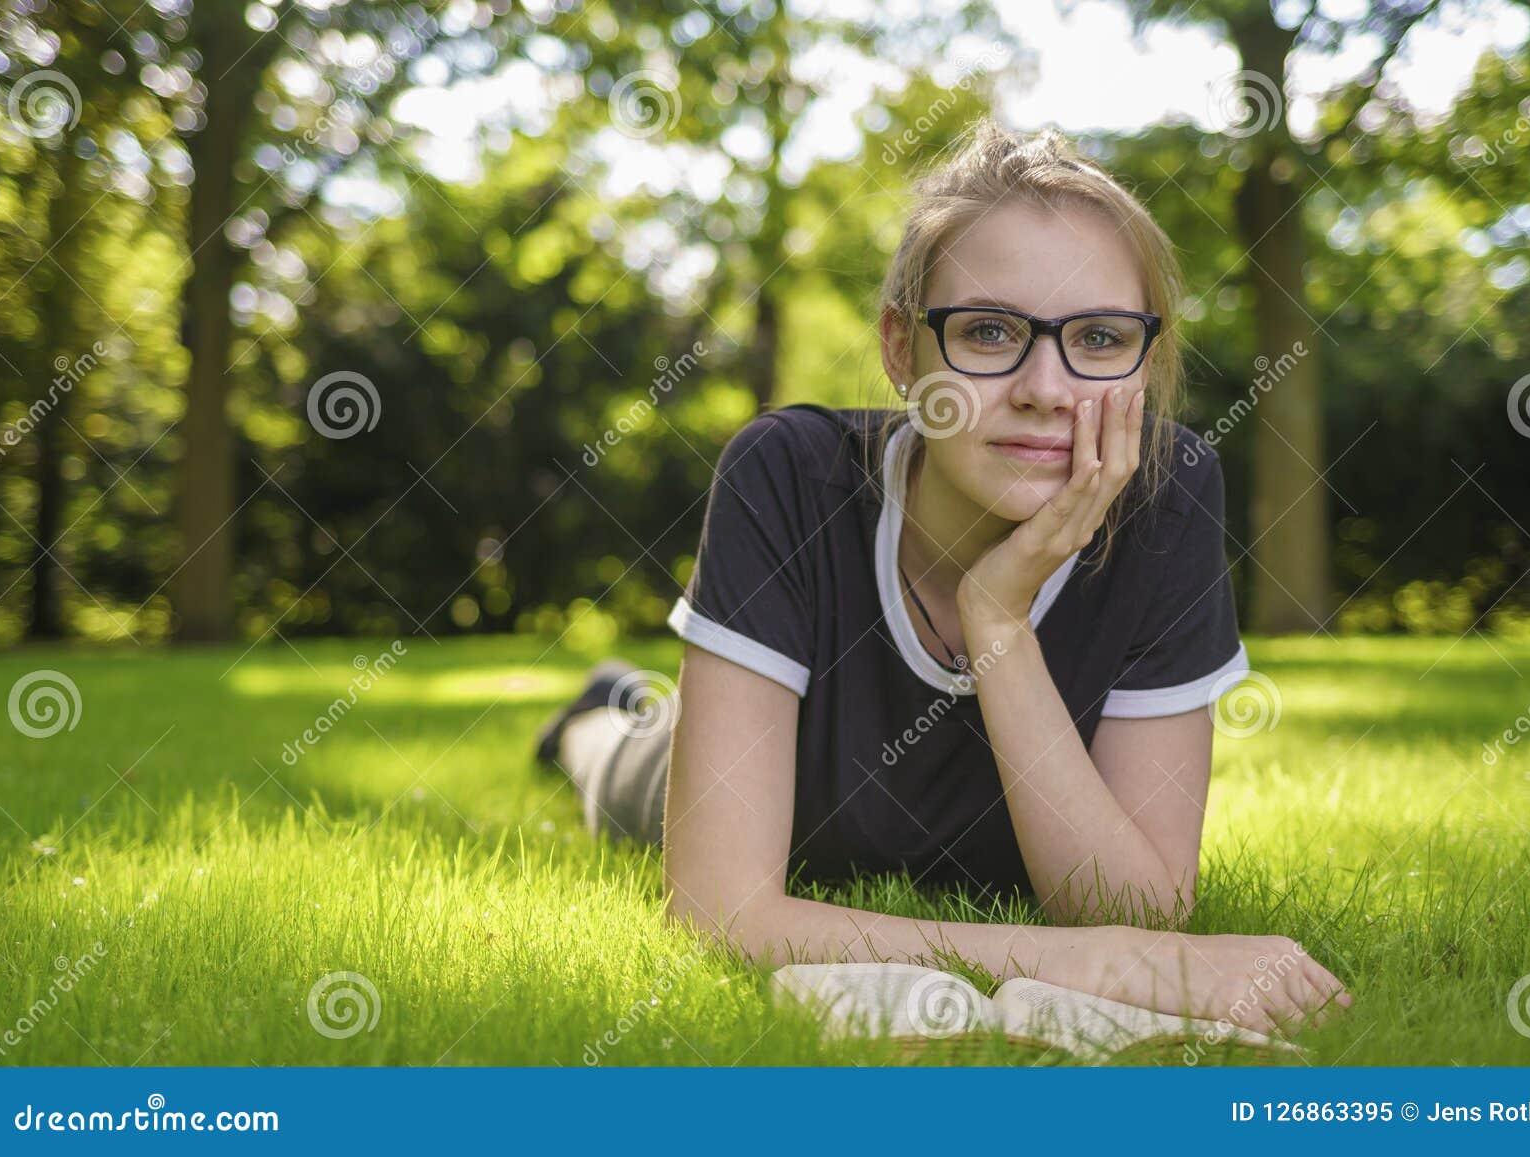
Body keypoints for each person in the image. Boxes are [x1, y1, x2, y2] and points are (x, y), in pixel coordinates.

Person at [534, 117, 1353, 1036]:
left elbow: (1140, 908)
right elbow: (719, 911)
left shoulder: (1170, 494)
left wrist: (998, 616)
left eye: (1098, 337)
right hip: (712, 762)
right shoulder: (789, 474)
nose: (1045, 388)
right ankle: (596, 711)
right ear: (901, 348)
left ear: (1146, 363)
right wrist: (1099, 964)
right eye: (990, 331)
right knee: (618, 751)